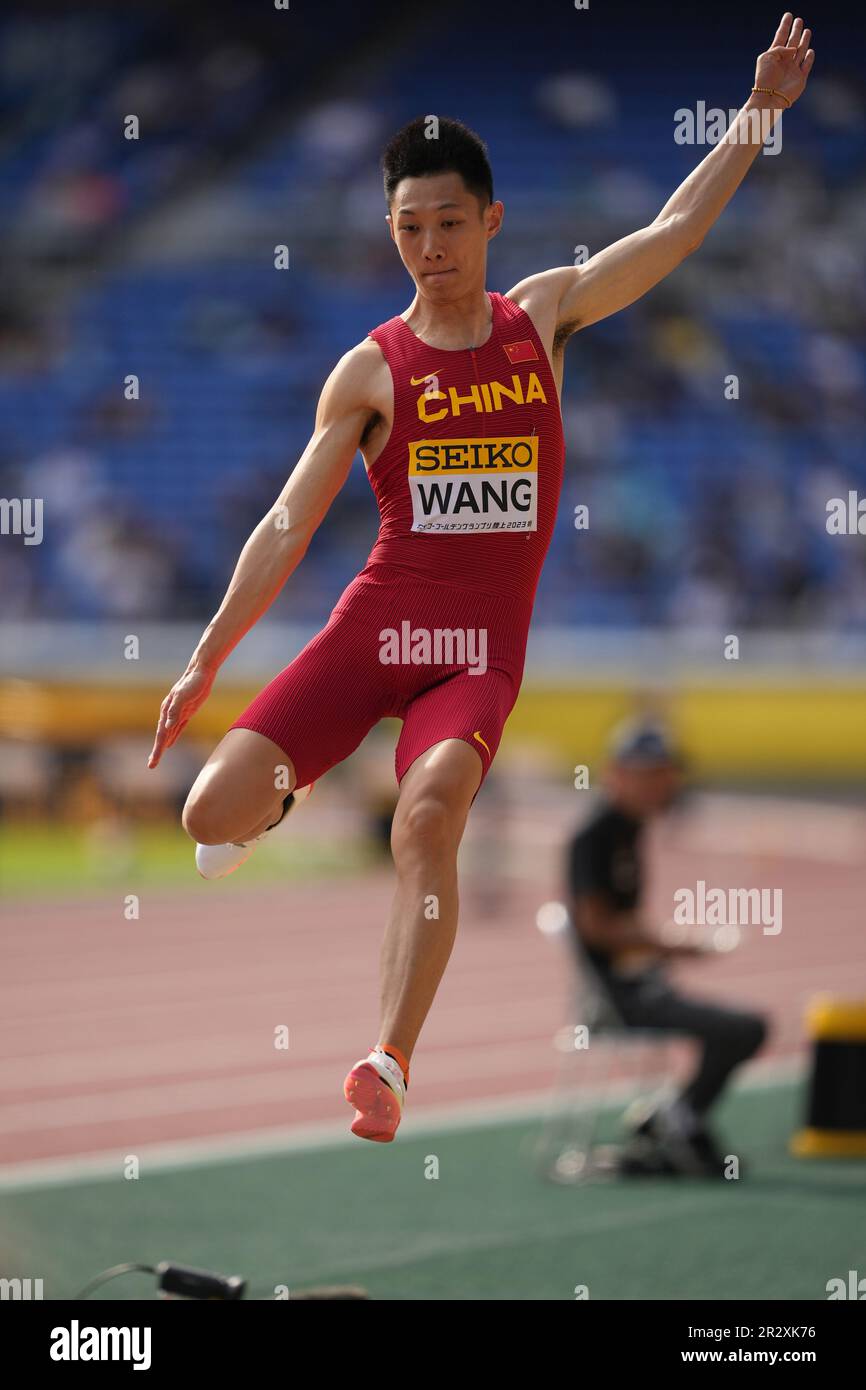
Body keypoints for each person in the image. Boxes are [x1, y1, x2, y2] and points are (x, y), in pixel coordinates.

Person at [148, 17, 813, 1143]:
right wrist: (205, 655)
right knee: (207, 814)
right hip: (372, 632)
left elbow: (671, 229)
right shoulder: (369, 369)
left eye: (448, 221)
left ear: (490, 220)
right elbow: (284, 519)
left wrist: (756, 114)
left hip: (472, 656)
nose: (428, 244)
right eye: (407, 226)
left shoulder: (541, 316)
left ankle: (388, 1059)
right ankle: (293, 785)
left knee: (429, 817)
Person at [565, 719, 769, 1177]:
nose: (664, 783)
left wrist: (665, 945)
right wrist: (677, 946)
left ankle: (672, 1119)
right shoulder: (594, 835)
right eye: (651, 772)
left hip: (639, 982)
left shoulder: (628, 829)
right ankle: (675, 1120)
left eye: (666, 772)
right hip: (617, 997)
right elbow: (597, 929)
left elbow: (623, 922)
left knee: (744, 1027)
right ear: (618, 773)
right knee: (743, 1028)